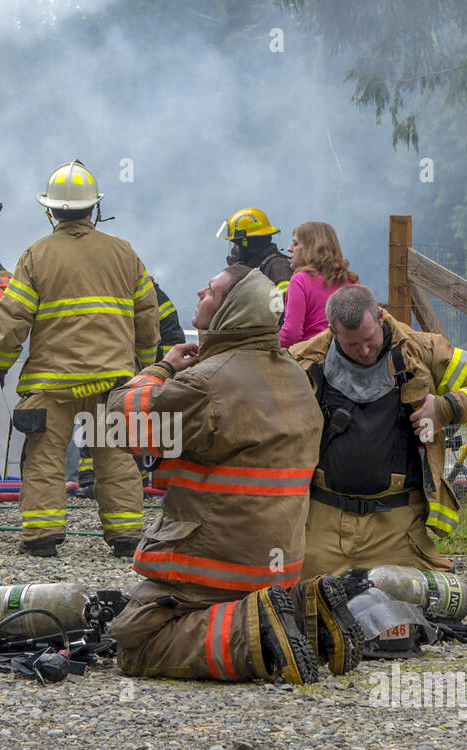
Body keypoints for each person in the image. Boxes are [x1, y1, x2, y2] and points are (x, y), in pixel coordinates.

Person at [105, 265, 366, 684]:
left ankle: (253, 629)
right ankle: (303, 608)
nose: (198, 292)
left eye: (209, 291)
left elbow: (119, 423)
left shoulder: (204, 384)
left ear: (232, 312)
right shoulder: (297, 378)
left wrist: (161, 370)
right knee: (261, 607)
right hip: (279, 567)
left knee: (138, 642)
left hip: (216, 567)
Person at [0, 159, 158, 558]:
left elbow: (14, 320)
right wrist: (146, 370)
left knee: (44, 457)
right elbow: (147, 316)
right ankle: (127, 536)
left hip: (52, 383)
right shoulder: (124, 253)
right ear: (94, 208)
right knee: (115, 458)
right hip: (113, 382)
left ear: (51, 211)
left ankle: (42, 537)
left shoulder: (35, 255)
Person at [291, 284, 467, 575]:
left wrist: (447, 408)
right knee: (300, 608)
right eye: (352, 345)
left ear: (380, 316)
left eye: (369, 339)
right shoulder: (303, 361)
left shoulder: (424, 351)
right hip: (323, 524)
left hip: (396, 525)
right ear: (332, 331)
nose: (364, 351)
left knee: (433, 608)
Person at [73, 274, 184, 496]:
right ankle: (91, 480)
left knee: (127, 425)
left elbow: (170, 337)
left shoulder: (148, 294)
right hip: (117, 367)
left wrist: (162, 371)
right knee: (99, 420)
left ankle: (134, 484)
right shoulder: (114, 289)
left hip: (137, 370)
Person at [280, 221, 358, 348]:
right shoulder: (352, 280)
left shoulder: (300, 280)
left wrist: (268, 347)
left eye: (295, 243)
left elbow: (291, 335)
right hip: (346, 356)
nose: (289, 249)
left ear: (311, 248)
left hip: (311, 359)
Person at [216, 207, 293, 307]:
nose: (233, 250)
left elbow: (287, 308)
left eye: (236, 245)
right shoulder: (257, 267)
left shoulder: (278, 267)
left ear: (248, 244)